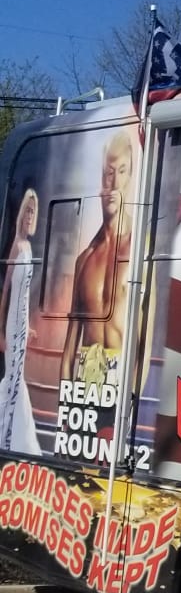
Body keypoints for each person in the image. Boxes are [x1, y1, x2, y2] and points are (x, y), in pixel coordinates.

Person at [60, 128, 139, 389]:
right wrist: (65, 403)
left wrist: (133, 393)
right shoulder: (85, 259)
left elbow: (144, 342)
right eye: (109, 173)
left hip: (121, 371)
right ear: (101, 181)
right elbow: (70, 345)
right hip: (86, 371)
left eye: (123, 171)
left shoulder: (142, 250)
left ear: (131, 179)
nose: (115, 182)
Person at [2, 182, 42, 455]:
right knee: (13, 378)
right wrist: (2, 332)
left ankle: (14, 436)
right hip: (10, 322)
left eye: (32, 212)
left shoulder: (28, 246)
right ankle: (5, 436)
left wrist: (27, 326)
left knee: (18, 376)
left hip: (21, 320)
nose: (29, 217)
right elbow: (6, 290)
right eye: (26, 211)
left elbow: (25, 294)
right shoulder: (17, 246)